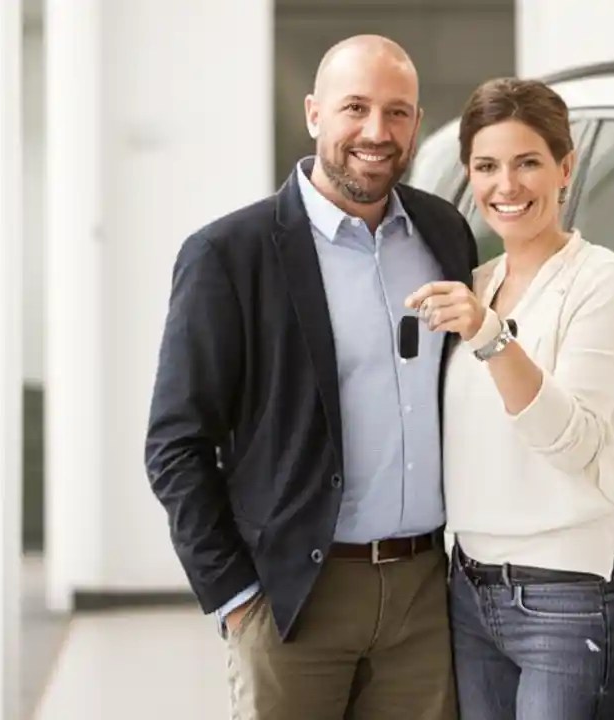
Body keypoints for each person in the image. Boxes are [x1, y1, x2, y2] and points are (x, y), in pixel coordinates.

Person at [144, 34, 477, 720]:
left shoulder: (444, 233)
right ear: (314, 114)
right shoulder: (228, 254)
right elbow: (174, 445)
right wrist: (236, 597)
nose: (377, 133)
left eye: (398, 112)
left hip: (423, 593)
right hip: (294, 596)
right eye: (355, 107)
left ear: (417, 122)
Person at [404, 77, 614, 720]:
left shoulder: (601, 281)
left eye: (528, 163)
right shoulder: (478, 284)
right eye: (487, 166)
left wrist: (492, 338)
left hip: (573, 596)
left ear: (564, 169)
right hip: (472, 590)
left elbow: (574, 443)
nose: (506, 186)